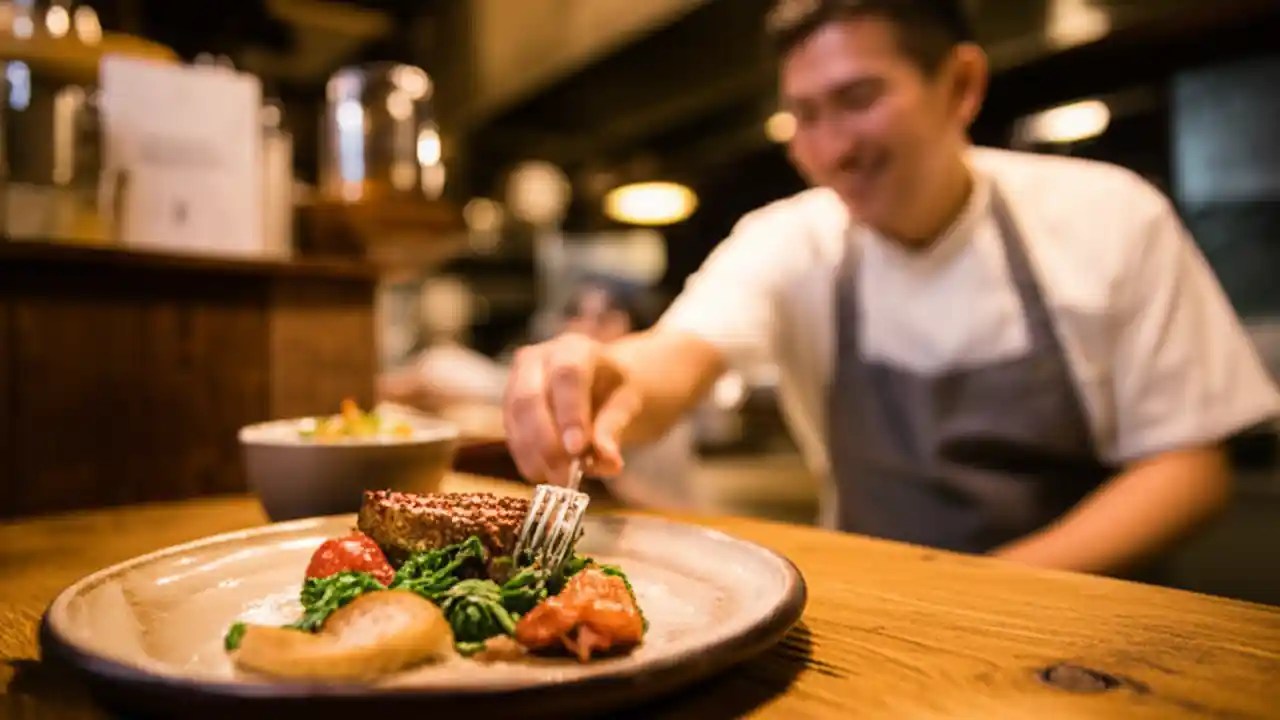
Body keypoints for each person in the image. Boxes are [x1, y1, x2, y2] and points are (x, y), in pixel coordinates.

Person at [501, 0, 1280, 577]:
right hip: (883, 609)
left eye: (857, 100)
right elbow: (679, 359)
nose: (828, 149)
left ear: (962, 85)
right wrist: (609, 379)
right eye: (803, 115)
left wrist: (991, 590)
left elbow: (1188, 467)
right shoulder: (792, 237)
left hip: (1096, 625)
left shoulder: (1108, 215)